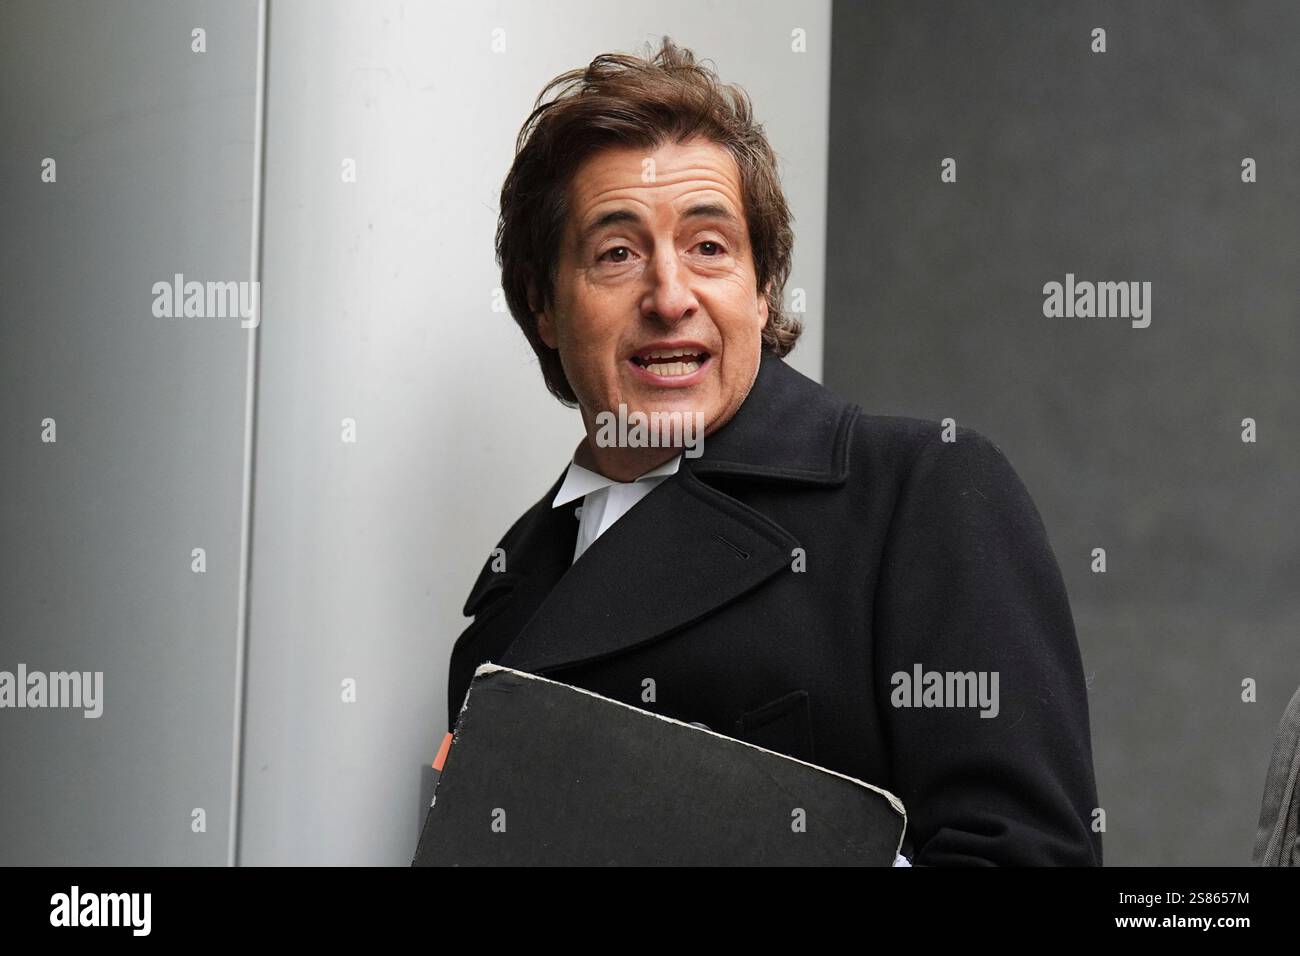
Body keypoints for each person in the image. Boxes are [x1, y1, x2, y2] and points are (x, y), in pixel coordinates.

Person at [446, 36, 1102, 866]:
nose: (670, 295)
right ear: (544, 306)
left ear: (760, 292)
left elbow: (1025, 856)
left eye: (709, 247)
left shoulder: (920, 492)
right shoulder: (509, 605)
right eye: (617, 253)